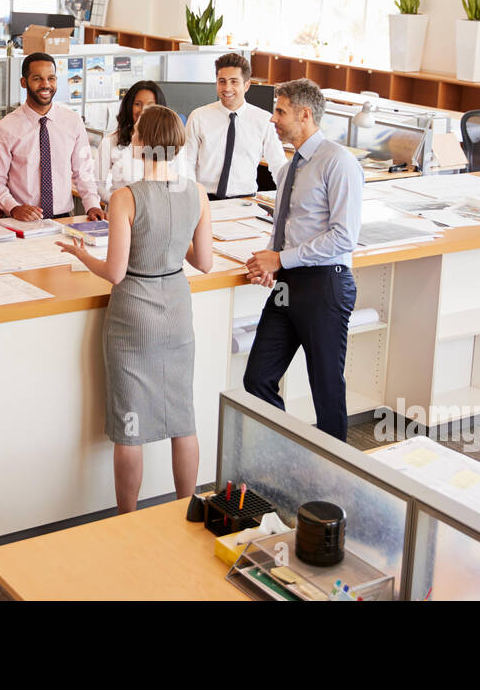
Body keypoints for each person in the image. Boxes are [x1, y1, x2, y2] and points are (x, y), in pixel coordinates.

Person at [57, 105, 213, 513]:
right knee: (183, 416)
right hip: (177, 307)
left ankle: (128, 518)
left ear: (140, 142)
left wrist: (81, 254)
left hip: (135, 312)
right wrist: (174, 242)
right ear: (177, 143)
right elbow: (205, 262)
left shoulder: (126, 197)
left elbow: (114, 272)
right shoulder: (196, 192)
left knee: (131, 424)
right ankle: (186, 509)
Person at [243, 79, 364, 441]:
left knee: (326, 390)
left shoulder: (337, 162)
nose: (273, 119)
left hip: (324, 284)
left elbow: (344, 236)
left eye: (280, 111)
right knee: (258, 378)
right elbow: (287, 225)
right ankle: (292, 453)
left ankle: (335, 480)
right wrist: (270, 261)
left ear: (305, 114)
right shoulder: (289, 167)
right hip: (288, 286)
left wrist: (280, 258)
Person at [0, 52, 104, 221]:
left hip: (63, 218)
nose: (46, 85)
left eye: (51, 78)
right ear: (23, 82)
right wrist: (14, 208)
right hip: (21, 218)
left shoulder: (73, 121)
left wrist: (92, 205)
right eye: (37, 78)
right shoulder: (5, 128)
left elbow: (83, 171)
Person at [180, 52, 288, 200]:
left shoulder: (264, 120)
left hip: (245, 200)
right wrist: (193, 197)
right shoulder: (199, 117)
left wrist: (287, 198)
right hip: (205, 198)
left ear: (247, 85)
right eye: (222, 81)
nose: (227, 88)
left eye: (234, 81)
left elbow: (278, 164)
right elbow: (187, 162)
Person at [97, 79, 186, 203]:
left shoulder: (170, 142)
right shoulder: (110, 141)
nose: (143, 110)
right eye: (138, 104)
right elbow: (98, 184)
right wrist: (118, 202)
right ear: (129, 106)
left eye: (150, 104)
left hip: (159, 210)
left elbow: (179, 182)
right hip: (121, 210)